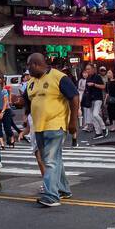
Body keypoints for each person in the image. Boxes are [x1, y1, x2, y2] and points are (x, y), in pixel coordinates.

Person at [24, 53, 79, 208]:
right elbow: (29, 102)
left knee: (50, 161)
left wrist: (73, 121)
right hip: (39, 126)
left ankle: (51, 195)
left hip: (56, 125)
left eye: (28, 66)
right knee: (54, 160)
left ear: (35, 64)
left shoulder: (58, 77)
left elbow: (74, 97)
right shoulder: (31, 83)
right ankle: (63, 189)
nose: (27, 70)